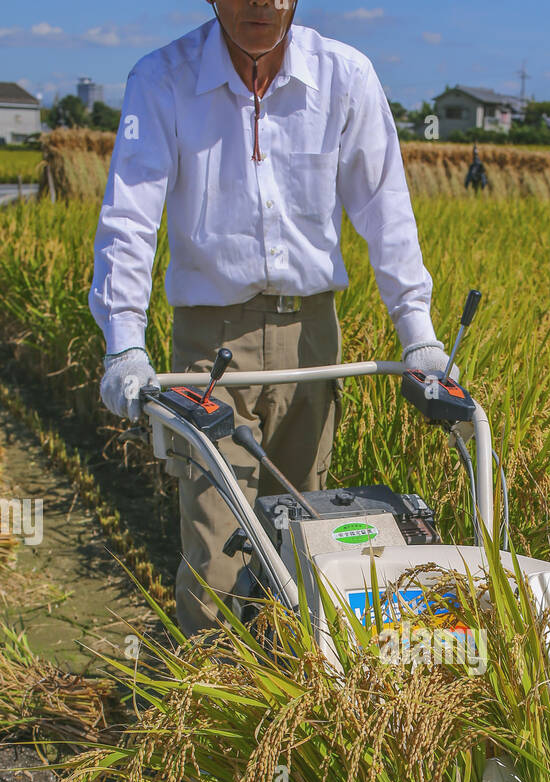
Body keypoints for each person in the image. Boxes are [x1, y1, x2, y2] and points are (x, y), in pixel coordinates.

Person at [90, 0, 451, 636]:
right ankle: (206, 714)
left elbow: (385, 207)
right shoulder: (163, 79)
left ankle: (283, 706)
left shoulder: (345, 76)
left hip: (313, 339)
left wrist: (416, 332)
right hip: (209, 344)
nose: (262, 4)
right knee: (217, 544)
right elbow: (130, 217)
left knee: (303, 535)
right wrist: (124, 340)